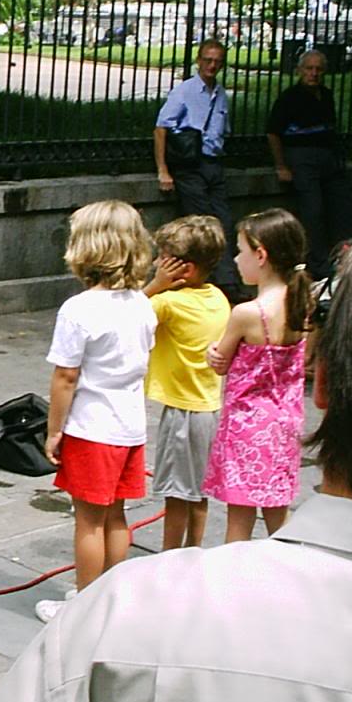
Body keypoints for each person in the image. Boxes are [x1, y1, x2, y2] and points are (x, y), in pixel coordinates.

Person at [0, 199, 352, 702]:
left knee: (127, 515)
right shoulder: (185, 306)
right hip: (152, 426)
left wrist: (55, 431)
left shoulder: (132, 614)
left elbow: (72, 373)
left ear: (328, 385)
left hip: (130, 426)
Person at [33, 200, 155, 624]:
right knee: (117, 516)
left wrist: (54, 430)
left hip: (92, 427)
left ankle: (83, 610)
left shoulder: (80, 309)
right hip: (129, 426)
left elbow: (66, 377)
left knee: (88, 522)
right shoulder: (141, 302)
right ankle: (110, 598)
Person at [201, 208, 312, 542]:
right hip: (284, 422)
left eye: (241, 251)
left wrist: (211, 354)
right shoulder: (302, 301)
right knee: (279, 511)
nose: (236, 259)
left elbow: (220, 360)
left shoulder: (248, 313)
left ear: (261, 254)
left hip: (247, 426)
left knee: (239, 518)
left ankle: (234, 587)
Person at [141, 215, 230, 550]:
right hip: (208, 409)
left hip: (183, 414)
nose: (155, 264)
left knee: (176, 495)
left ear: (185, 269)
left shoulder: (167, 302)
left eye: (163, 260)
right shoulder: (217, 297)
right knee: (197, 492)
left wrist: (154, 285)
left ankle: (169, 557)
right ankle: (193, 550)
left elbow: (125, 315)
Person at [153, 39, 242, 298]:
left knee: (224, 222)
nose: (212, 66)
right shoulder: (184, 91)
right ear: (198, 61)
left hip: (214, 163)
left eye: (217, 61)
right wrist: (163, 170)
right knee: (203, 226)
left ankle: (224, 279)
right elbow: (161, 129)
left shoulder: (221, 93)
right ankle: (224, 284)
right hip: (190, 166)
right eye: (207, 60)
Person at [265, 49, 352, 278]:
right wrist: (281, 166)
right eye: (309, 68)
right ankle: (318, 265)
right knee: (313, 211)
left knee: (342, 208)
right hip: (301, 157)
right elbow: (273, 132)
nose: (313, 74)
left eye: (318, 69)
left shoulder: (325, 95)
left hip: (328, 158)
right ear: (299, 70)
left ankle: (344, 259)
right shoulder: (290, 97)